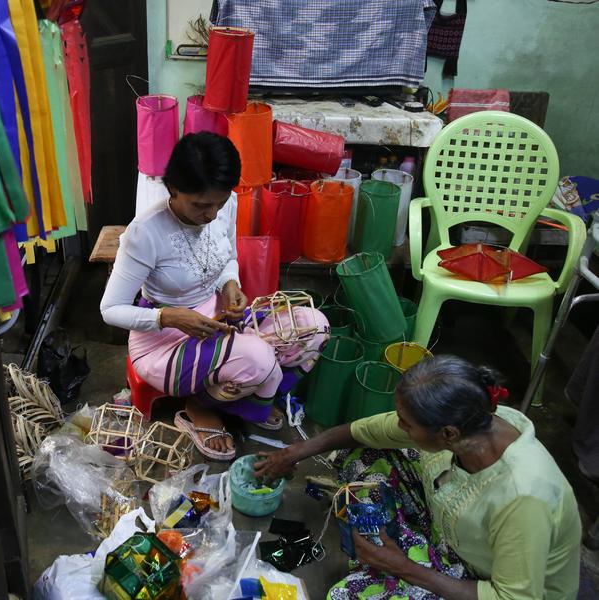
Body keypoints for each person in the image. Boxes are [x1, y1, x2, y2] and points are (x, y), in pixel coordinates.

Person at [254, 355, 581, 599]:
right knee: (364, 452)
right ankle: (404, 549)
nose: (399, 427)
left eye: (406, 423)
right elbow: (364, 431)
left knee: (349, 594)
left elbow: (514, 597)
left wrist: (400, 565)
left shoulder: (523, 497)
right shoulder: (470, 419)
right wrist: (295, 453)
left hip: (485, 580)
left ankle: (401, 558)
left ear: (448, 434)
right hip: (452, 529)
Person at [100, 132, 329, 460]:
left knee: (313, 328)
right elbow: (110, 309)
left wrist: (231, 285)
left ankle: (235, 396)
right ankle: (202, 405)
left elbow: (226, 257)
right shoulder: (145, 233)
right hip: (163, 342)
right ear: (173, 189)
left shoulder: (225, 204)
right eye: (200, 205)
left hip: (220, 320)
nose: (211, 214)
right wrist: (168, 316)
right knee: (260, 359)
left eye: (219, 203)